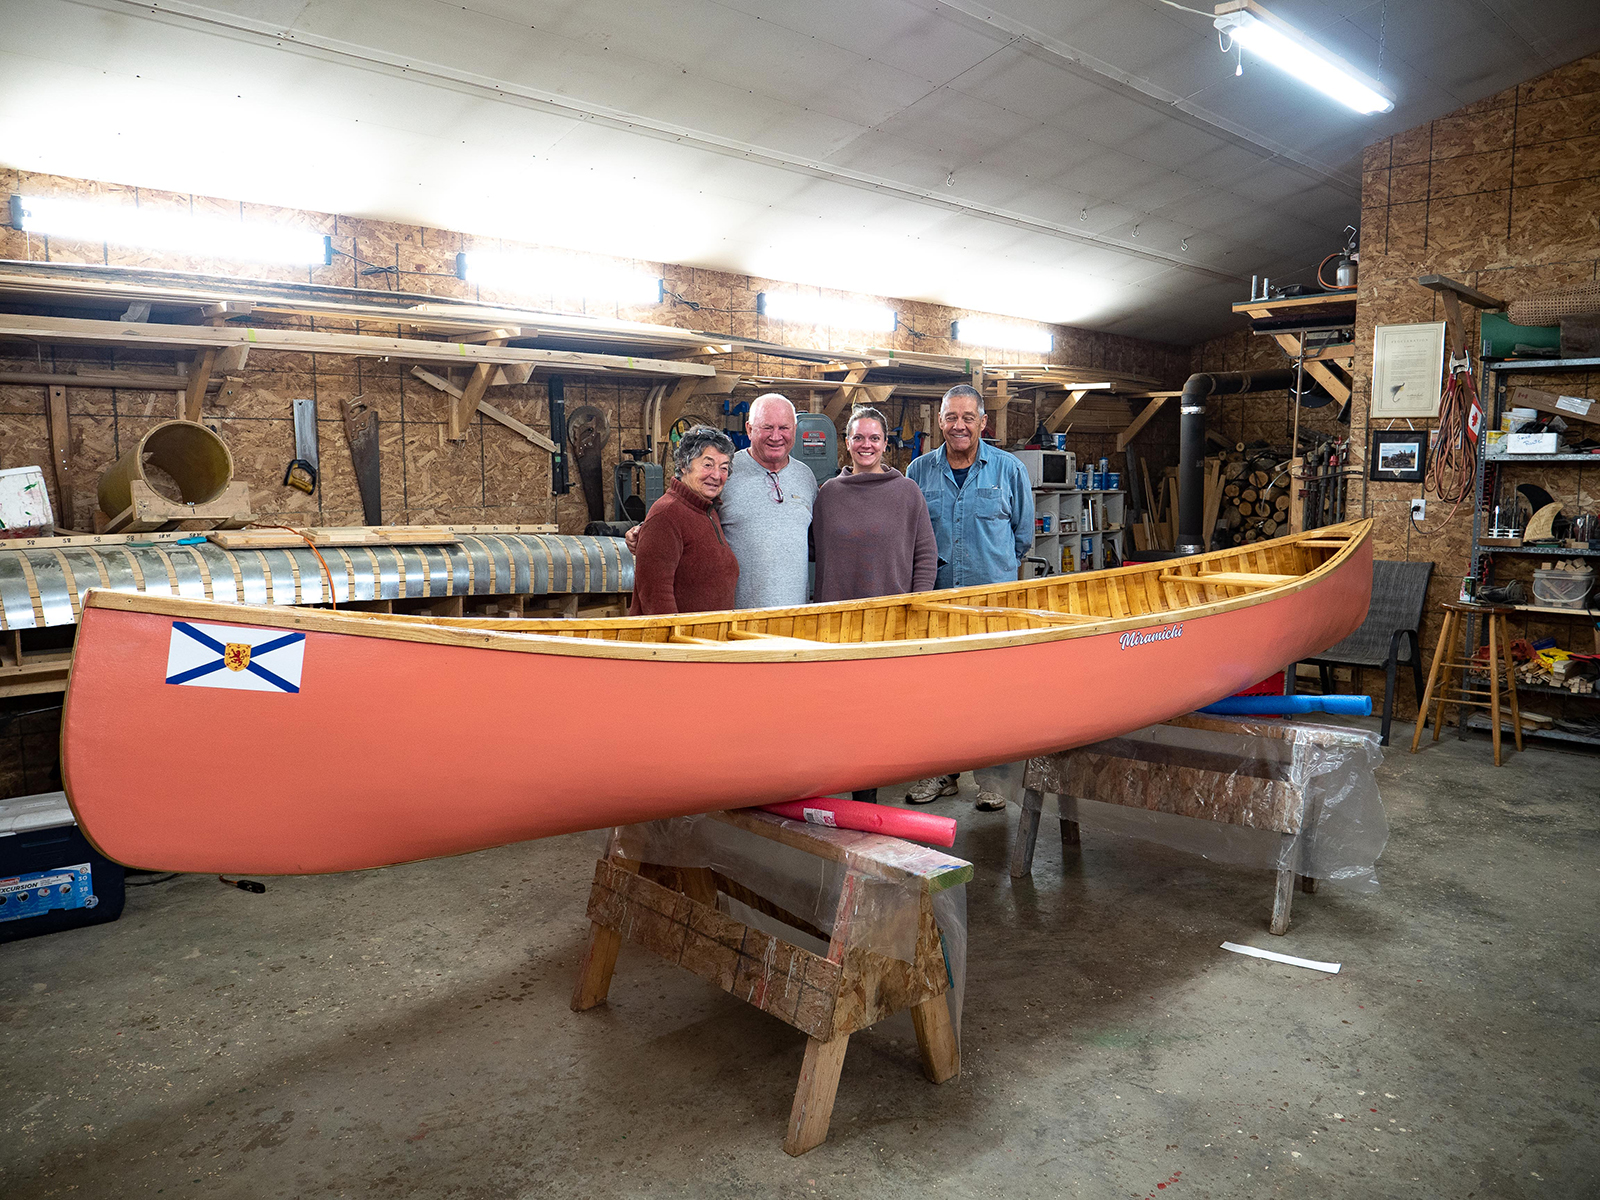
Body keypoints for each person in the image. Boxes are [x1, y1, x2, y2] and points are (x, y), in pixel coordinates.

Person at [903, 383, 1034, 811]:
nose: (959, 425)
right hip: (938, 603)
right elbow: (911, 537)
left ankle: (994, 779)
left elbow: (1022, 537)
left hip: (992, 607)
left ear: (983, 422)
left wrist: (991, 575)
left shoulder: (1009, 469)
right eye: (951, 418)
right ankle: (940, 772)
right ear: (940, 422)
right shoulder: (918, 472)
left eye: (967, 417)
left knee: (992, 692)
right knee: (936, 691)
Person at [811, 405, 938, 803]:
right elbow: (810, 548)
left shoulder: (906, 492)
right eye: (858, 438)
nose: (866, 445)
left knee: (878, 714)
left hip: (888, 621)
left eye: (875, 438)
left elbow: (926, 553)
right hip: (837, 622)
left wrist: (914, 606)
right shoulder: (828, 494)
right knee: (838, 712)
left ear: (886, 444)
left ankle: (867, 798)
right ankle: (833, 789)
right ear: (846, 443)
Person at [627, 392, 816, 609]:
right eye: (767, 427)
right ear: (749, 429)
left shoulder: (806, 477)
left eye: (784, 428)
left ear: (794, 429)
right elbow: (681, 511)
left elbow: (820, 539)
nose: (776, 436)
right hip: (736, 621)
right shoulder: (728, 473)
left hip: (794, 616)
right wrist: (645, 530)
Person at [628, 425, 739, 616]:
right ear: (683, 465)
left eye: (724, 468)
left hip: (706, 640)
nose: (716, 475)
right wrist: (675, 642)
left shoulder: (708, 510)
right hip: (680, 642)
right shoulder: (666, 515)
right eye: (708, 464)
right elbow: (656, 597)